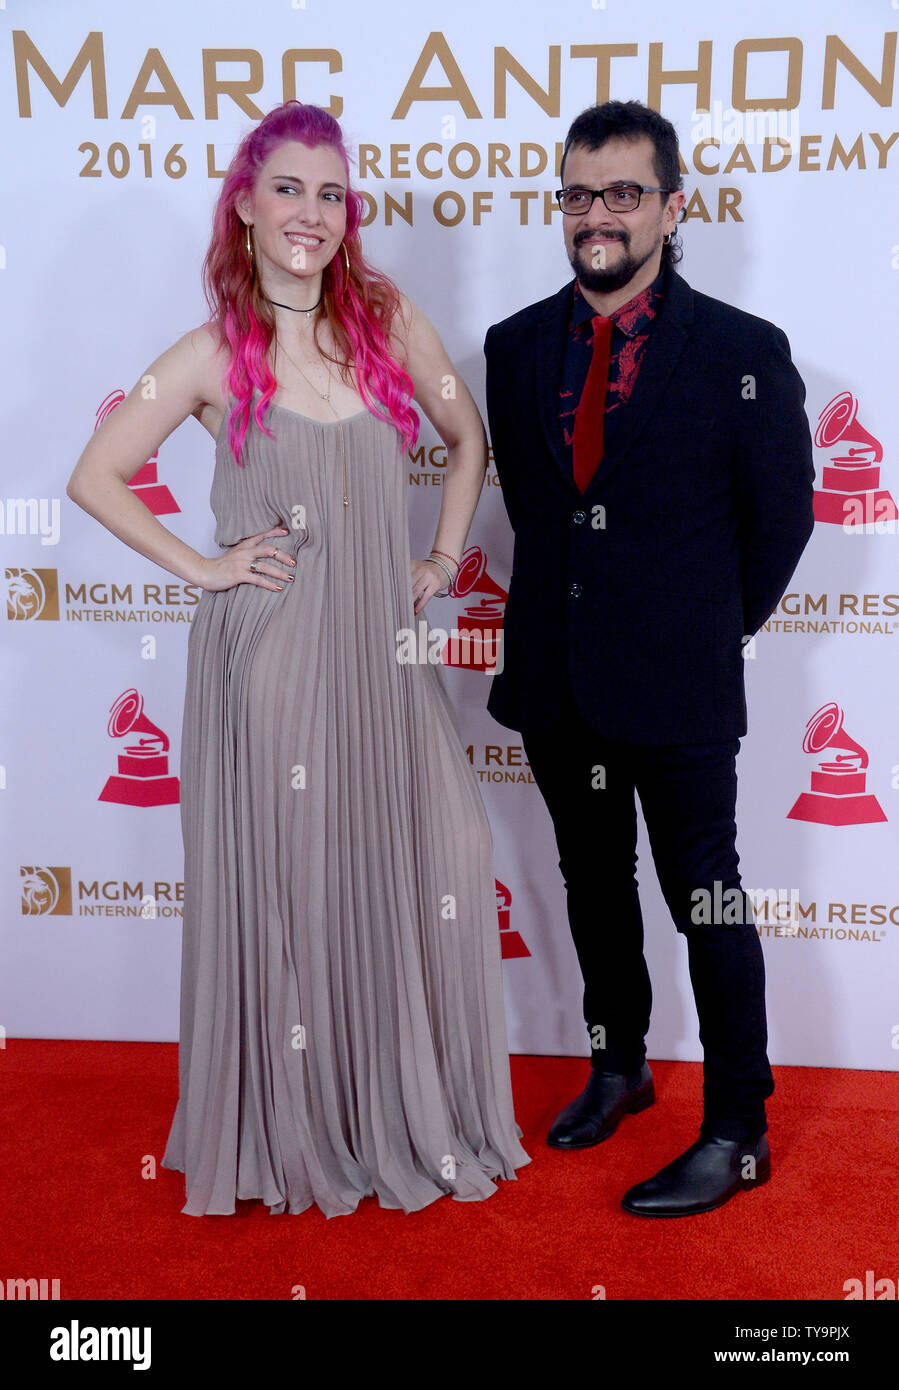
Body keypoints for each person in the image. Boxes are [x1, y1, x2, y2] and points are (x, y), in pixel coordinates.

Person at [67, 100, 530, 1217]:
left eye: (330, 192)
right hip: (268, 654)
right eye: (288, 188)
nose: (309, 213)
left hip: (384, 648)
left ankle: (408, 1108)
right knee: (292, 887)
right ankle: (292, 1127)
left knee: (449, 849)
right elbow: (93, 476)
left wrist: (436, 552)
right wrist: (208, 566)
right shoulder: (210, 354)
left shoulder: (385, 321)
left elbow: (468, 437)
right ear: (244, 201)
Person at [483, 99, 814, 1217]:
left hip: (676, 688)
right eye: (577, 192)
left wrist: (704, 634)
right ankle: (616, 1063)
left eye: (622, 192)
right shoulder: (515, 345)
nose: (596, 214)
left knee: (706, 901)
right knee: (589, 884)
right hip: (556, 683)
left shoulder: (740, 352)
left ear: (671, 207)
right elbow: (539, 514)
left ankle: (736, 1127)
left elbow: (778, 524)